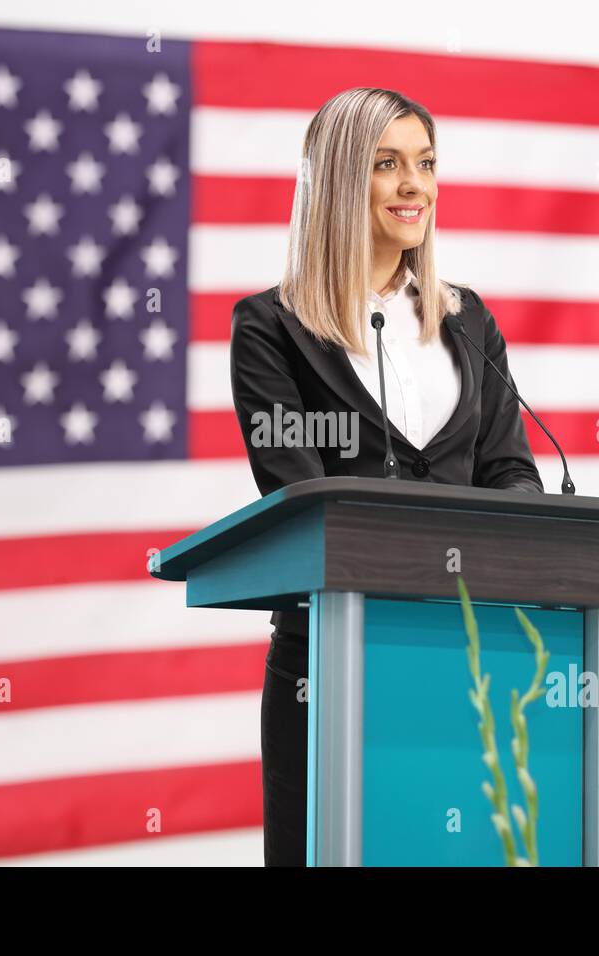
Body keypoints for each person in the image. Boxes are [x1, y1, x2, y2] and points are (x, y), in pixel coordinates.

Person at [228, 87, 545, 866]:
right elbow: (300, 507)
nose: (416, 185)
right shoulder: (271, 330)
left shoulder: (469, 323)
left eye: (427, 164)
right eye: (388, 164)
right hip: (330, 670)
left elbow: (509, 471)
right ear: (339, 179)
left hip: (467, 662)